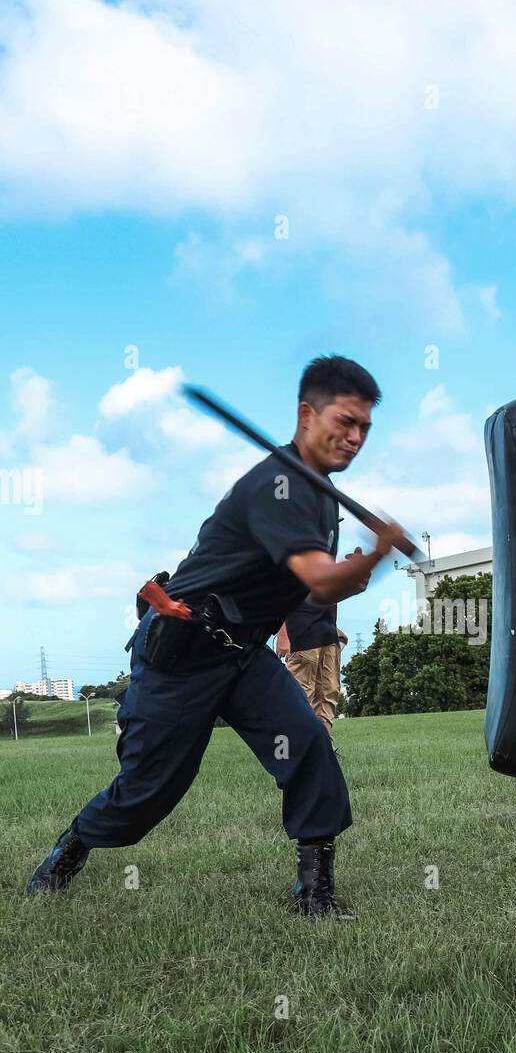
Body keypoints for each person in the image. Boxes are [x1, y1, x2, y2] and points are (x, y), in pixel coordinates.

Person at [28, 355, 403, 920]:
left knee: (308, 745)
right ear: (306, 414)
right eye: (345, 422)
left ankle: (314, 893)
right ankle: (72, 847)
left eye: (364, 429)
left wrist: (356, 568)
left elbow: (315, 593)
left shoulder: (321, 495)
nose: (354, 438)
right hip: (182, 654)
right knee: (147, 792)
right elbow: (321, 578)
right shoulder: (276, 487)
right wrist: (374, 555)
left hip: (244, 655)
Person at [275, 608, 346, 736]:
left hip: (328, 633)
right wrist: (283, 633)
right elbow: (279, 593)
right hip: (302, 635)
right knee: (299, 697)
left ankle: (324, 747)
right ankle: (295, 749)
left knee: (329, 692)